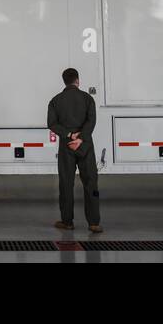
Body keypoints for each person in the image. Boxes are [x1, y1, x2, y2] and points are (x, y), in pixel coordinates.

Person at [47, 67, 102, 233]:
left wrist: (70, 135)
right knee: (91, 182)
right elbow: (91, 120)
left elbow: (52, 124)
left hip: (66, 145)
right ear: (77, 80)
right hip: (85, 145)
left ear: (64, 81)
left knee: (66, 184)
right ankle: (94, 222)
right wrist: (81, 138)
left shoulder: (55, 100)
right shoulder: (87, 98)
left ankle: (67, 221)